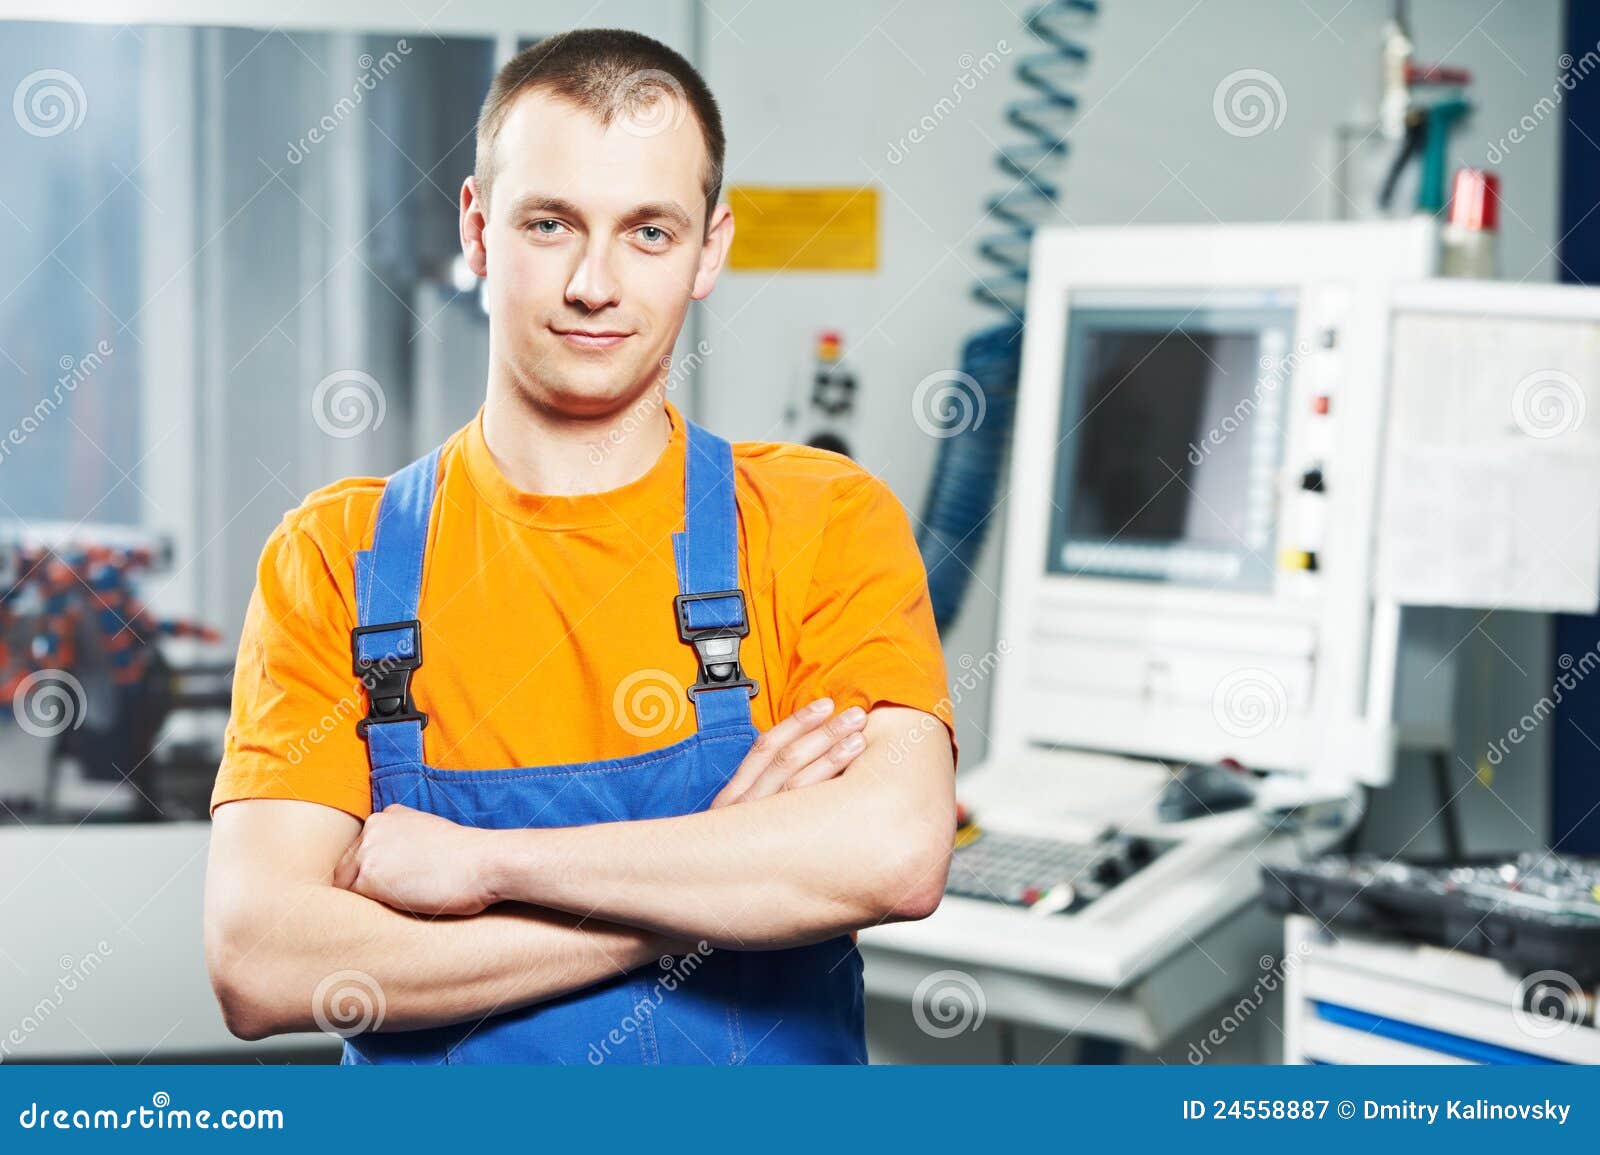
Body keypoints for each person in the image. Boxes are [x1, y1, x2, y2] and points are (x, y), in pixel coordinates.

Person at [203, 27, 957, 1066]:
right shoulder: (340, 556)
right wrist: (714, 891)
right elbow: (263, 962)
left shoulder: (818, 522)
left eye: (649, 231)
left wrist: (482, 866)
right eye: (551, 224)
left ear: (710, 248)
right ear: (477, 229)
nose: (595, 284)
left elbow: (892, 854)